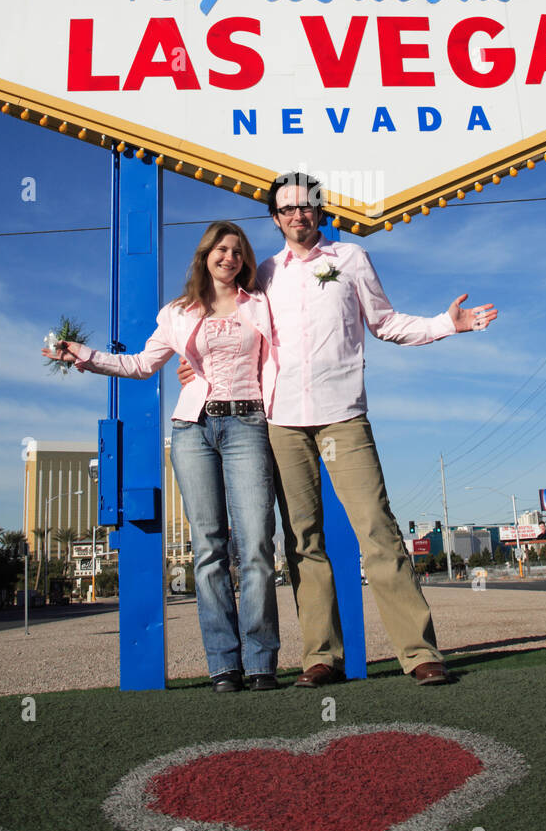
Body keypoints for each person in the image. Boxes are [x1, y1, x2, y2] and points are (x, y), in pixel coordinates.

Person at [178, 172, 498, 687]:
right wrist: (196, 364)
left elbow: (386, 322)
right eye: (286, 209)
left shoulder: (350, 259)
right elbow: (228, 331)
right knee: (302, 541)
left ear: (319, 212)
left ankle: (419, 654)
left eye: (306, 206)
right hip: (281, 422)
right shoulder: (261, 275)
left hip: (343, 415)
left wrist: (445, 324)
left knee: (377, 530)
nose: (297, 215)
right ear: (275, 218)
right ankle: (321, 657)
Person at [42, 221, 280, 694]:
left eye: (237, 251)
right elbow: (141, 365)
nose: (228, 257)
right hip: (192, 429)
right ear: (205, 255)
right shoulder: (178, 312)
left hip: (249, 423)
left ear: (246, 260)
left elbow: (284, 357)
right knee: (208, 546)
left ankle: (260, 663)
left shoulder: (262, 305)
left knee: (255, 545)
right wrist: (83, 356)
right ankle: (224, 665)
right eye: (220, 249)